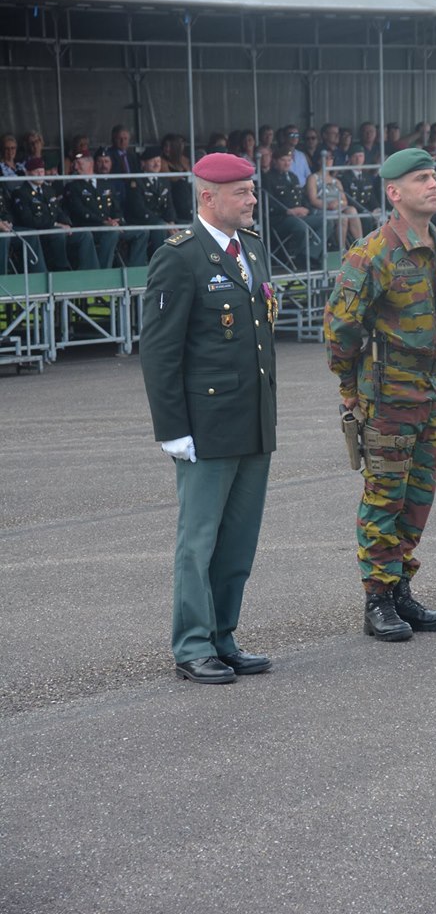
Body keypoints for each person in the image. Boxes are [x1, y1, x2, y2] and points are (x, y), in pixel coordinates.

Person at [139, 152, 276, 685]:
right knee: (198, 543)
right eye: (241, 192)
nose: (251, 200)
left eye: (250, 190)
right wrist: (172, 429)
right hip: (206, 424)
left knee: (239, 540)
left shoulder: (253, 250)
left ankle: (223, 637)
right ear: (207, 197)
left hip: (253, 419)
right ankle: (193, 645)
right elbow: (160, 351)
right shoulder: (180, 257)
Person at [324, 148, 436, 642]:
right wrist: (350, 391)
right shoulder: (373, 253)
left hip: (430, 397)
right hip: (385, 400)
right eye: (421, 178)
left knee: (417, 499)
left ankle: (402, 587)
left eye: (433, 177)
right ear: (394, 192)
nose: (433, 184)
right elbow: (340, 329)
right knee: (384, 499)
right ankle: (378, 599)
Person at [12, 157, 99, 271]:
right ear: (27, 173)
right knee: (58, 233)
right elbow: (28, 220)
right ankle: (62, 268)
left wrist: (67, 224)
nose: (40, 175)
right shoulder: (21, 192)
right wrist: (56, 224)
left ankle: (91, 271)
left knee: (84, 234)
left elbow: (59, 211)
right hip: (40, 233)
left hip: (57, 230)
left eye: (42, 171)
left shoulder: (48, 190)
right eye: (36, 171)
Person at [262, 145, 324, 267]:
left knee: (325, 221)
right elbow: (268, 203)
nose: (287, 163)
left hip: (299, 216)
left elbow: (301, 197)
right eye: (283, 160)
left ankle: (309, 255)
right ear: (274, 161)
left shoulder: (293, 177)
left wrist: (307, 209)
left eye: (289, 160)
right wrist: (288, 211)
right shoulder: (268, 178)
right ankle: (299, 258)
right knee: (301, 226)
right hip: (281, 219)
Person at [64, 150, 121, 268]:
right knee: (109, 232)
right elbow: (80, 210)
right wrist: (103, 221)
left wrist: (117, 221)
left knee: (140, 232)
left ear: (90, 164)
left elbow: (116, 207)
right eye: (74, 164)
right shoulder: (73, 187)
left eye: (79, 164)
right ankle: (99, 273)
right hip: (87, 226)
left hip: (109, 225)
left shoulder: (105, 184)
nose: (76, 167)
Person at [93, 147, 150, 266]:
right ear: (94, 164)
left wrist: (119, 221)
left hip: (119, 223)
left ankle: (136, 268)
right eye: (100, 161)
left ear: (111, 163)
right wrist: (107, 222)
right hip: (100, 226)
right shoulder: (91, 182)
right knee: (112, 234)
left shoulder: (118, 182)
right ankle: (104, 273)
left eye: (106, 161)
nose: (104, 165)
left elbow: (119, 206)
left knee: (142, 232)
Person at [125, 145, 178, 256]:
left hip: (161, 221)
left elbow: (169, 204)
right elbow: (139, 209)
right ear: (143, 164)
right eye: (153, 161)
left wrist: (171, 221)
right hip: (141, 221)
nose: (157, 164)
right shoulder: (136, 181)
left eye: (158, 160)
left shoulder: (163, 181)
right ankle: (160, 262)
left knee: (186, 229)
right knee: (160, 227)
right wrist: (163, 223)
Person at [305, 148, 362, 248]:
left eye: (331, 158)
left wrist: (338, 203)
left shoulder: (336, 181)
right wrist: (328, 205)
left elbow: (344, 200)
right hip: (321, 210)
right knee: (343, 218)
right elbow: (313, 200)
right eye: (326, 158)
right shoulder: (313, 178)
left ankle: (362, 245)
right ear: (319, 160)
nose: (329, 160)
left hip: (336, 209)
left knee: (352, 210)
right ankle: (342, 250)